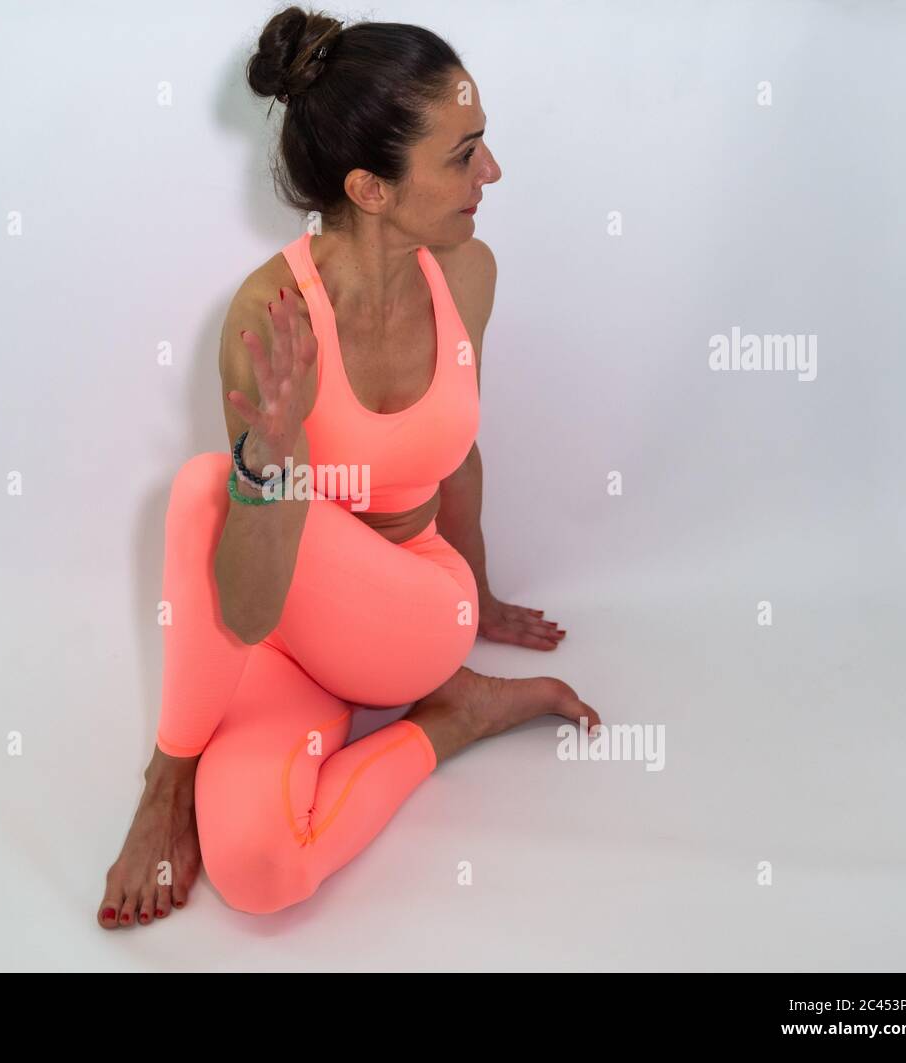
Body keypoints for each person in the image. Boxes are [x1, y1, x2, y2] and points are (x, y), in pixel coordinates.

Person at [99, 6, 601, 927]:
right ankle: (449, 722)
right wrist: (275, 459)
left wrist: (480, 597)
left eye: (482, 145)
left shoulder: (468, 275)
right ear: (370, 188)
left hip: (415, 612)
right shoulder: (270, 314)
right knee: (256, 866)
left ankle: (164, 781)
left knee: (206, 488)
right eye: (463, 154)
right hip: (289, 637)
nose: (491, 172)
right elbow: (248, 609)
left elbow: (459, 451)